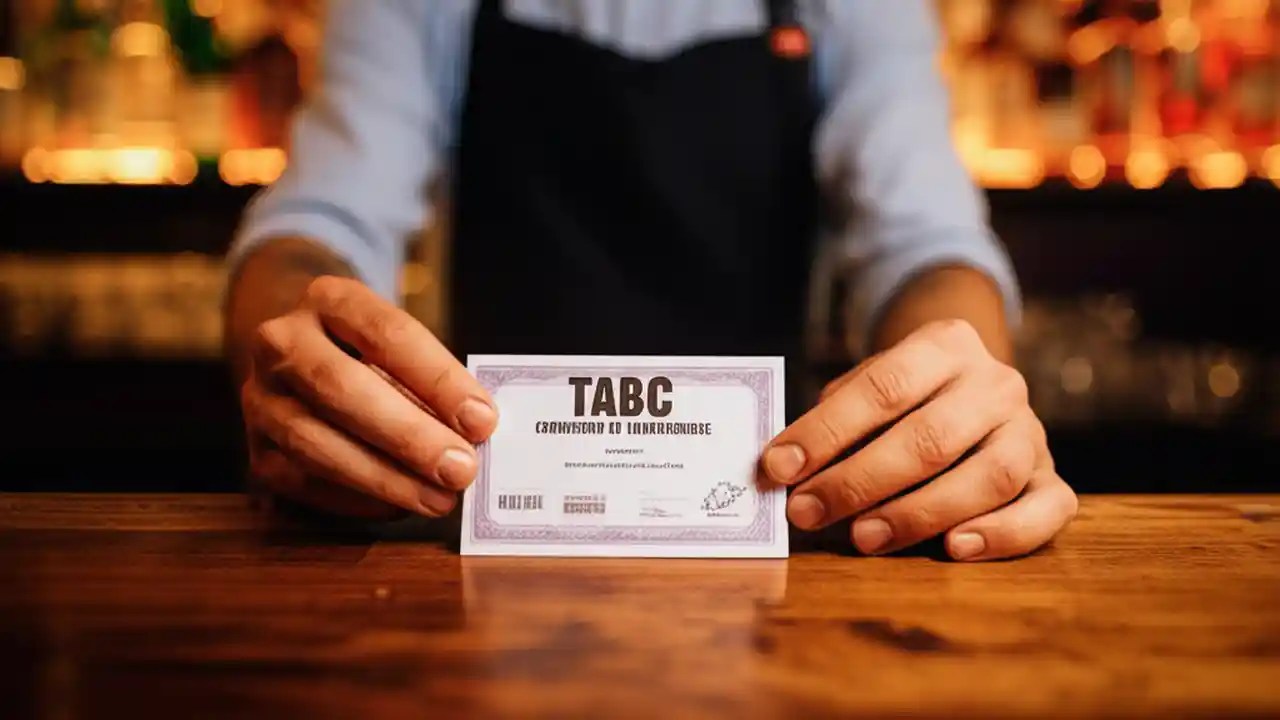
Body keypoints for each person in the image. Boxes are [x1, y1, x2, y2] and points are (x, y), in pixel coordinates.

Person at [224, 0, 1077, 561]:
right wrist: (299, 346)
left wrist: (959, 400)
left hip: (765, 529)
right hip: (484, 536)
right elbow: (319, 224)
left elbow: (925, 247)